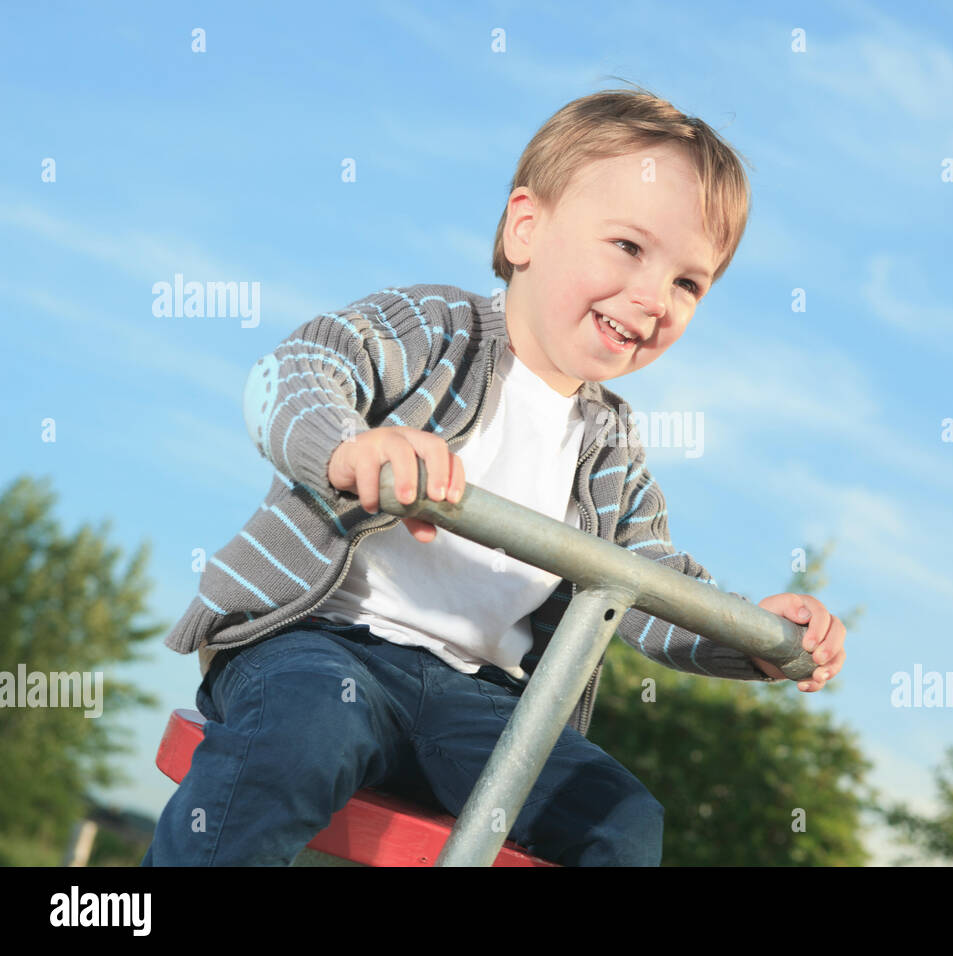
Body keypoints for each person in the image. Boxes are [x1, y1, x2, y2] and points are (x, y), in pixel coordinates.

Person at [141, 86, 847, 867]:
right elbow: (299, 369)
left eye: (689, 283)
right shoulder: (433, 332)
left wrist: (745, 632)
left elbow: (646, 584)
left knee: (619, 818)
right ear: (526, 228)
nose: (653, 299)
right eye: (628, 248)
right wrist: (350, 447)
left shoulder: (610, 446)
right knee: (302, 736)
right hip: (322, 649)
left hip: (478, 705)